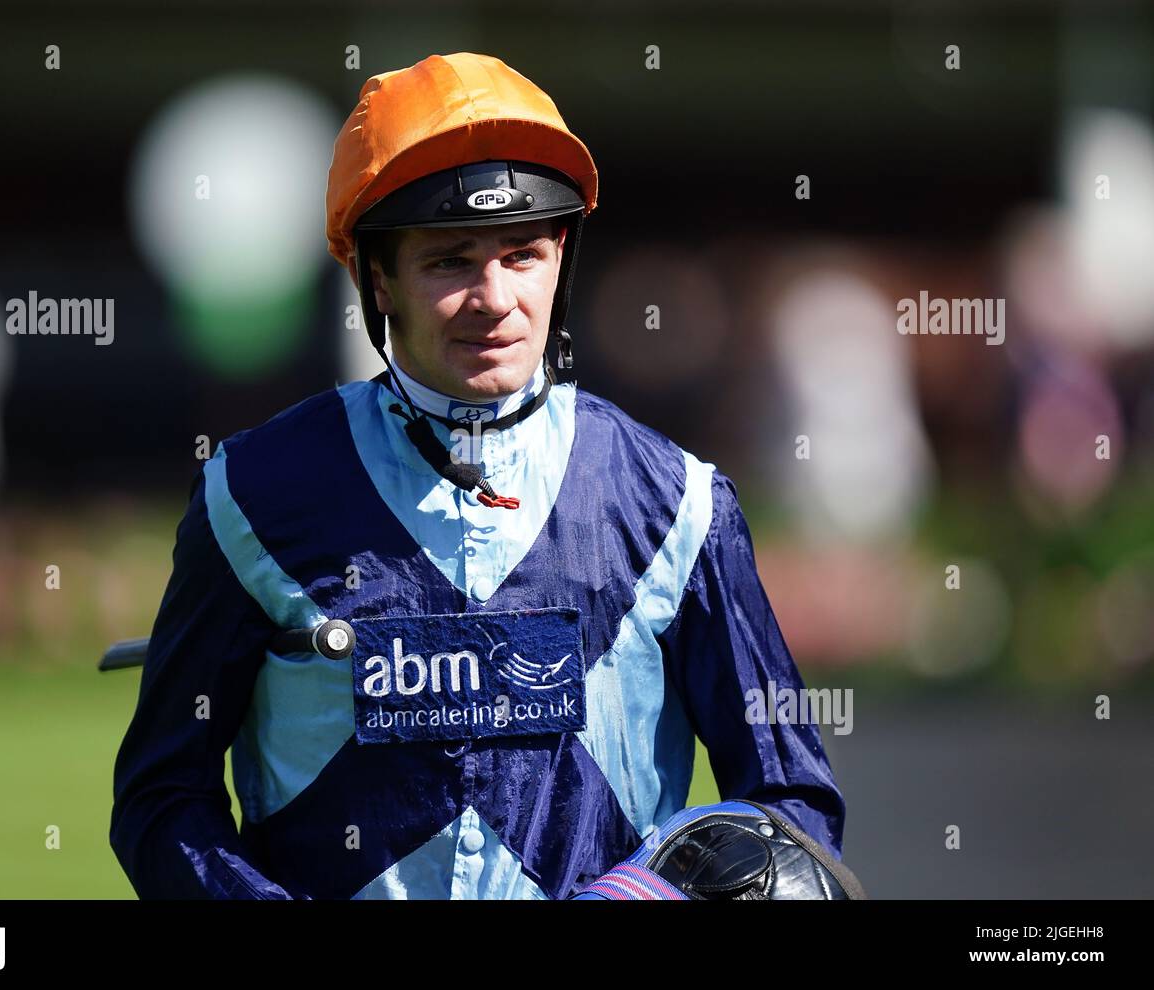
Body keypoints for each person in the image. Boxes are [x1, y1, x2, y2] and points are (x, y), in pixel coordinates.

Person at [109, 51, 855, 900]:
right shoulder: (250, 496)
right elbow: (162, 799)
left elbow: (791, 808)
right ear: (377, 278)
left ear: (562, 260)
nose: (494, 297)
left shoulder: (680, 503)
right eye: (451, 262)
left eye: (523, 254)